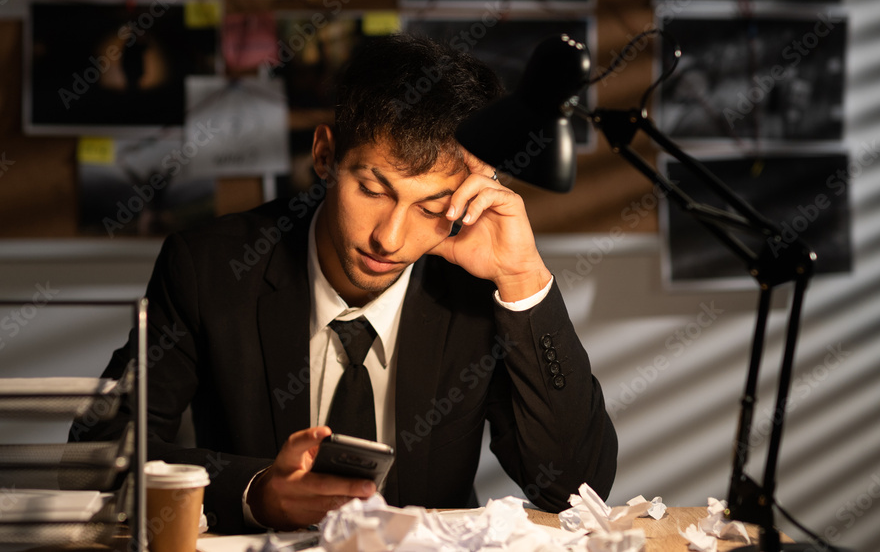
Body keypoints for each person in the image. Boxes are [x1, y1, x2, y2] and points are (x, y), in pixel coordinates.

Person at [74, 33, 617, 533]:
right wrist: (254, 490)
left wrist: (523, 282)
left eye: (430, 206)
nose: (390, 237)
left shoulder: (478, 285)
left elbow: (571, 491)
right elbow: (100, 448)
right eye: (373, 190)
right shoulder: (209, 268)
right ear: (325, 155)